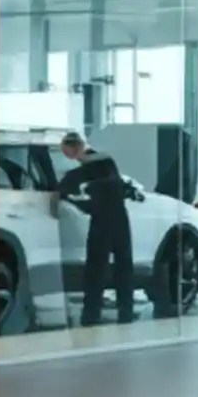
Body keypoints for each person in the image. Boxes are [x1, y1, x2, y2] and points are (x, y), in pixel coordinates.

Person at [56, 131, 136, 326]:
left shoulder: (88, 167)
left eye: (67, 153)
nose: (68, 157)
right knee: (123, 266)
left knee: (96, 268)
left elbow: (70, 189)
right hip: (119, 218)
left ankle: (92, 313)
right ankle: (125, 310)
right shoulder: (106, 162)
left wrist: (63, 195)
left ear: (75, 149)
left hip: (102, 221)